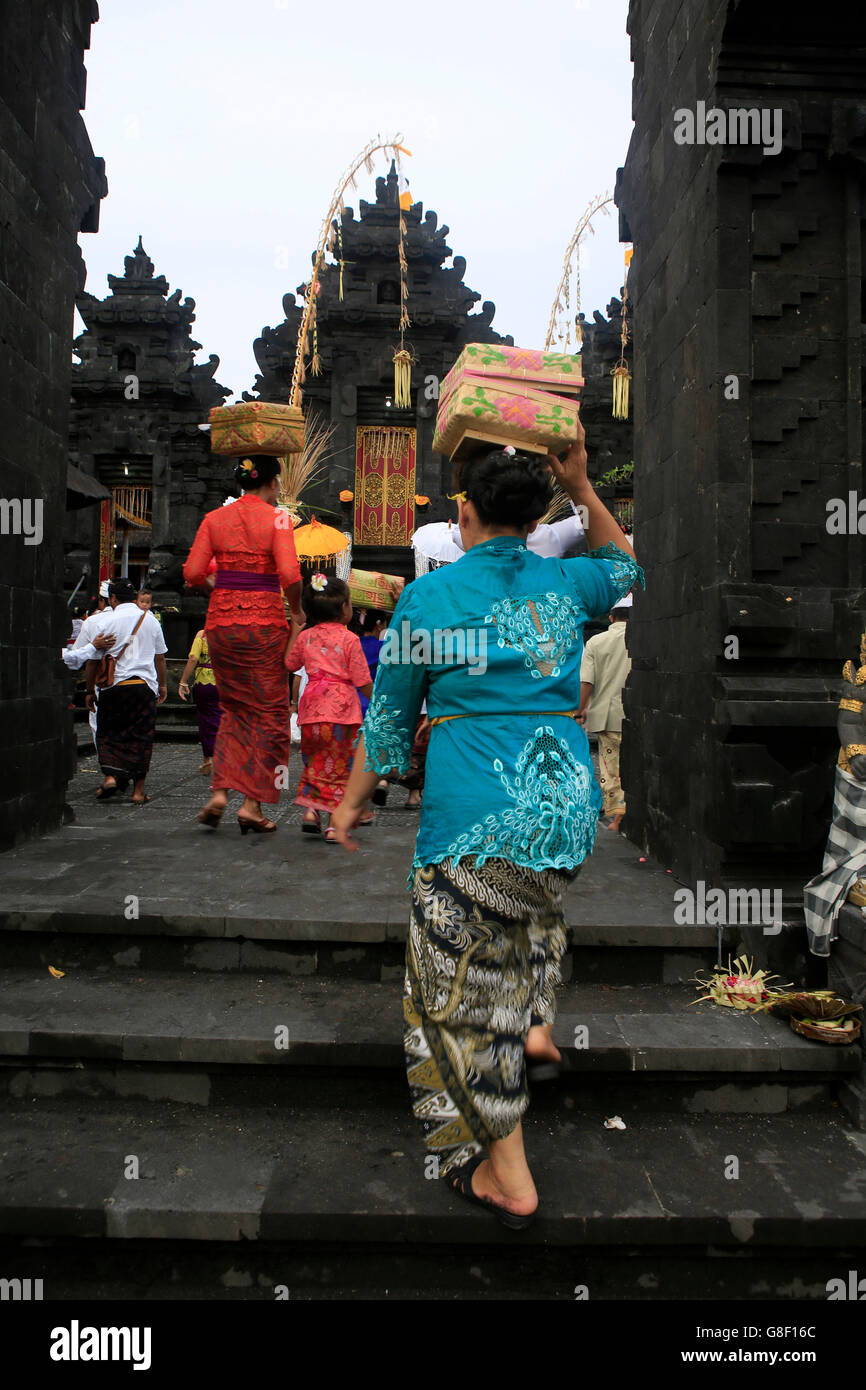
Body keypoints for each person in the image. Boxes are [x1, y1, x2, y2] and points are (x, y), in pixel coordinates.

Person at [331, 421, 643, 1227]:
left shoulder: (430, 597)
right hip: (562, 807)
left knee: (454, 996)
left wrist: (351, 801)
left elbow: (392, 727)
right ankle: (538, 1024)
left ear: (463, 514)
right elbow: (626, 565)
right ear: (536, 522)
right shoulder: (561, 585)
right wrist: (581, 484)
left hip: (475, 812)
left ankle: (509, 1174)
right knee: (530, 911)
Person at [182, 455, 302, 834]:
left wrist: (218, 590)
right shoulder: (278, 518)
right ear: (275, 483)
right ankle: (252, 804)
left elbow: (192, 573)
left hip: (220, 626)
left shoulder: (214, 519)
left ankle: (219, 792)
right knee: (270, 715)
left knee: (233, 709)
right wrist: (296, 611)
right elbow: (288, 573)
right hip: (264, 626)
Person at [286, 574, 373, 841]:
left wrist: (295, 630)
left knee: (315, 761)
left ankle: (312, 810)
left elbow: (290, 664)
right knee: (341, 765)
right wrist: (380, 700)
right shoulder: (349, 640)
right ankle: (335, 824)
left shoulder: (307, 637)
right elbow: (361, 679)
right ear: (344, 609)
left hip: (311, 709)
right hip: (342, 711)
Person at [83, 578, 168, 804]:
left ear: (112, 598)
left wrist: (89, 690)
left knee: (108, 733)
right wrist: (162, 684)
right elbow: (160, 658)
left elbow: (92, 660)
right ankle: (138, 791)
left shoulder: (106, 622)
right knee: (142, 737)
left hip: (114, 686)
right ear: (133, 598)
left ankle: (110, 777)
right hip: (143, 687)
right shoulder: (150, 621)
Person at [578, 594, 632, 832]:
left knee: (612, 770)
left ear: (611, 617)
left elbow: (586, 681)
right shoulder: (644, 639)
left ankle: (617, 819)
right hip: (638, 715)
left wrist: (580, 711)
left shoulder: (597, 642)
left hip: (609, 717)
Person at [178, 629, 223, 776]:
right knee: (223, 720)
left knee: (205, 721)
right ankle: (224, 759)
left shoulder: (202, 634)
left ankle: (207, 759)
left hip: (205, 683)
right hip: (225, 683)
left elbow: (193, 658)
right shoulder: (232, 633)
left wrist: (183, 681)